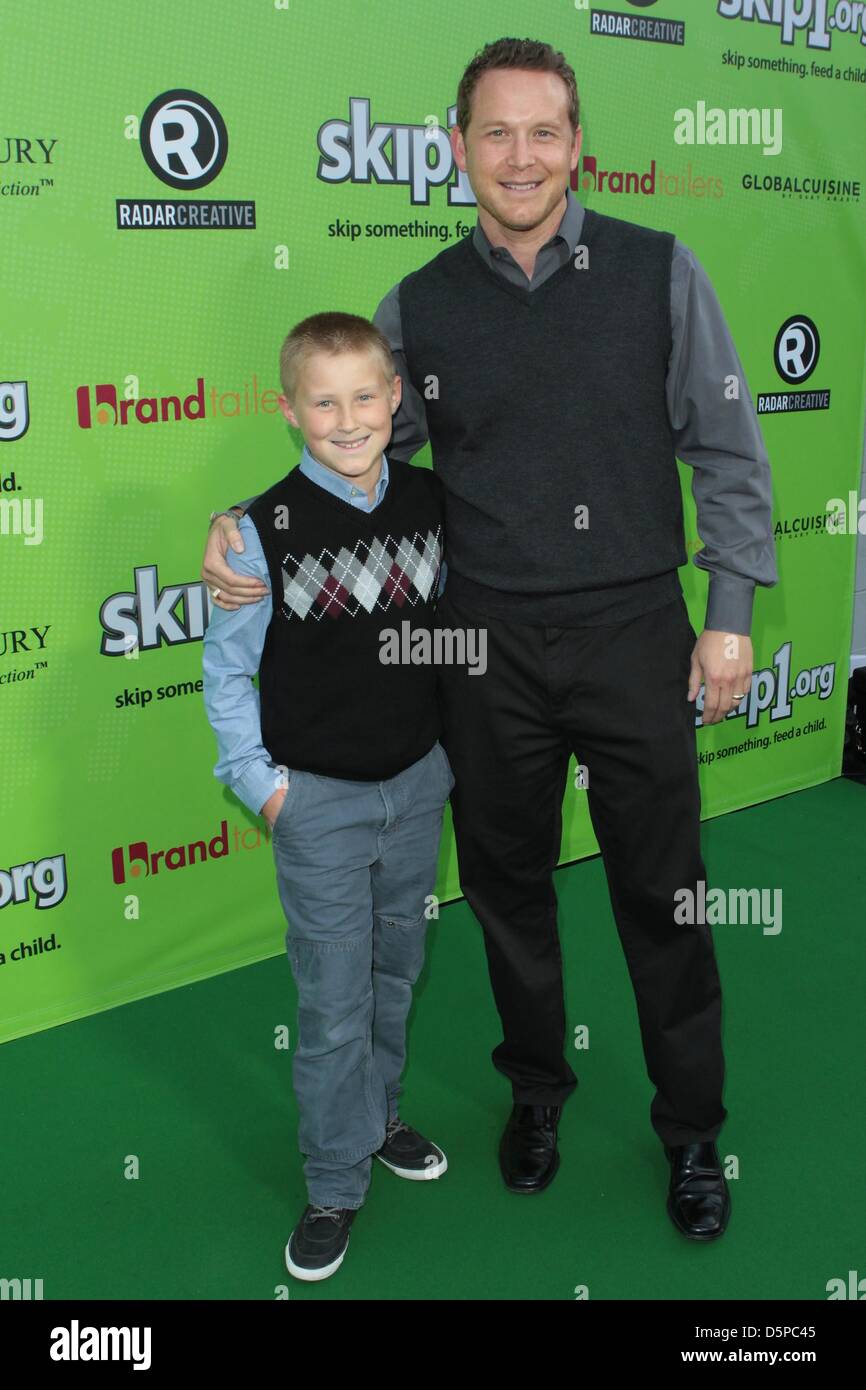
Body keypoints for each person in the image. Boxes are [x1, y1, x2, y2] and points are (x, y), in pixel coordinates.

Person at [202, 38, 777, 1243]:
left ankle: (690, 1128)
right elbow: (347, 447)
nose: (521, 156)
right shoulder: (414, 306)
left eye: (544, 132)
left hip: (633, 633)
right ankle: (536, 1094)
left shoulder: (659, 273)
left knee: (664, 896)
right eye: (495, 133)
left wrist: (728, 621)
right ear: (455, 147)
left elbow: (724, 456)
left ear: (578, 148)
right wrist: (245, 527)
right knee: (508, 891)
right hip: (480, 648)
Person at [202, 312, 453, 1282]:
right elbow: (227, 677)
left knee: (396, 972)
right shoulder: (257, 532)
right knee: (334, 1003)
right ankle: (333, 1179)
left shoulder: (435, 501)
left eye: (365, 395)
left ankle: (377, 1117)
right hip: (318, 806)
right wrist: (264, 790)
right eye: (323, 401)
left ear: (395, 398)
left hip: (419, 783)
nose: (347, 418)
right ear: (289, 410)